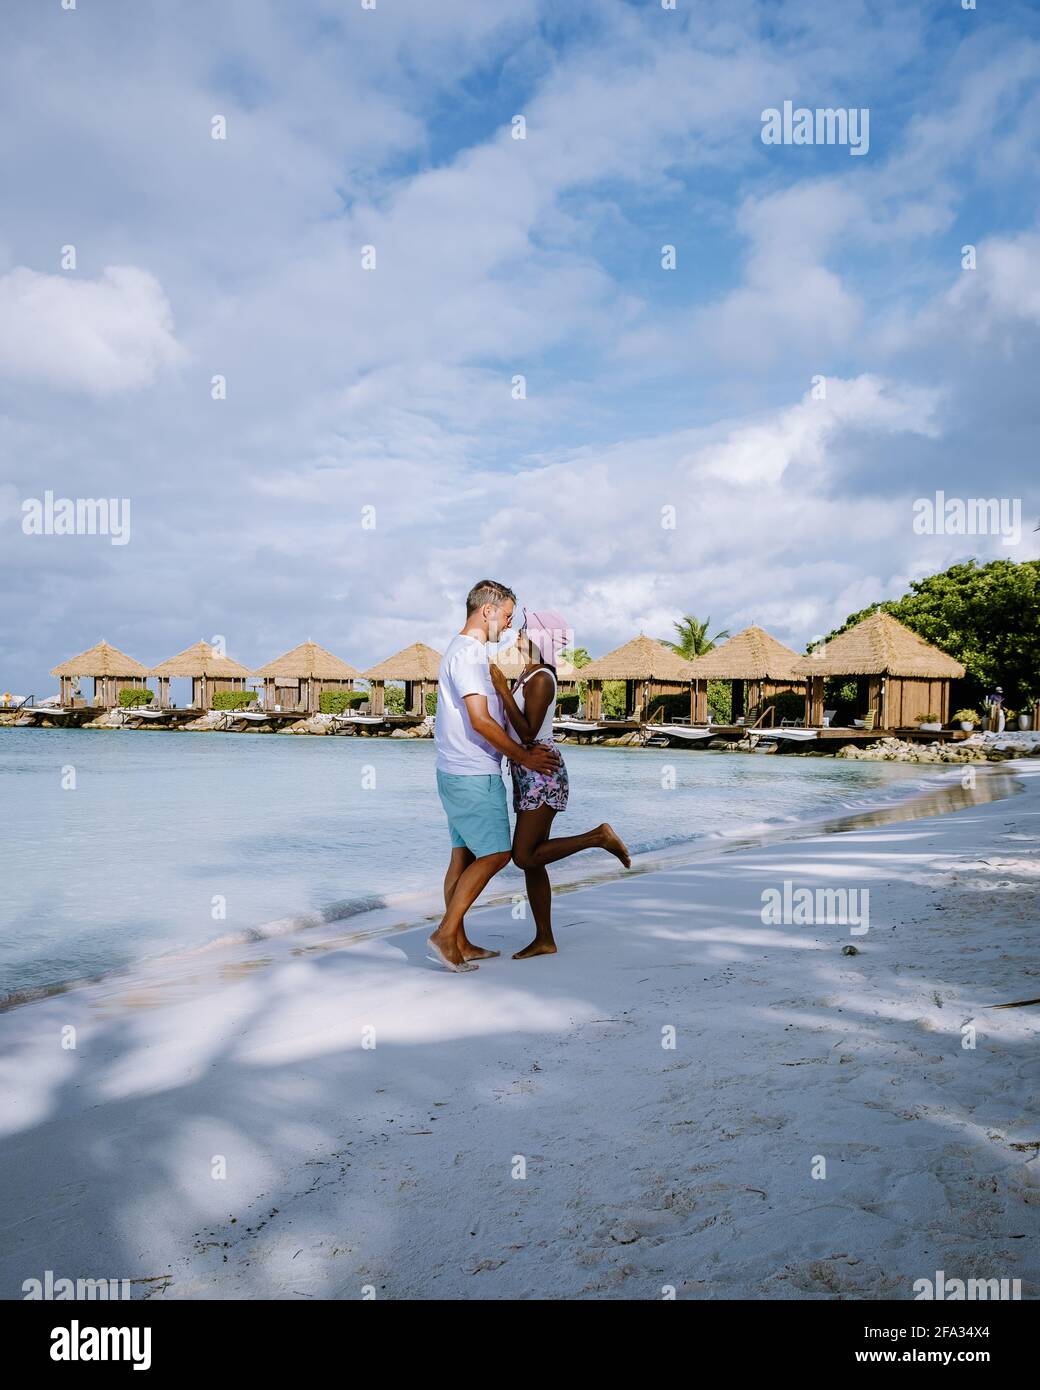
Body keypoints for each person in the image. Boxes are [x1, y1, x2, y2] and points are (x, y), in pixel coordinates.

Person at [427, 580, 559, 973]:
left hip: (453, 770)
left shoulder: (462, 650)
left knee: (462, 855)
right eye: (505, 615)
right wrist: (524, 758)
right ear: (487, 610)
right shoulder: (468, 654)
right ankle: (445, 934)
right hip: (472, 772)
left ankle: (461, 941)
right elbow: (481, 721)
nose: (507, 624)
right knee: (498, 853)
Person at [490, 609, 630, 960]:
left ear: (539, 640)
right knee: (534, 859)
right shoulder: (528, 673)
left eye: (525, 629)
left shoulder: (542, 679)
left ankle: (598, 837)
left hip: (541, 770)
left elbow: (527, 732)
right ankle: (545, 938)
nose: (518, 633)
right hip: (527, 771)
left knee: (523, 856)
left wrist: (500, 689)